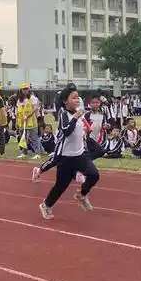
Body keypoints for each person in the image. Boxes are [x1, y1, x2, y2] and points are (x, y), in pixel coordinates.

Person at [39, 85, 99, 220]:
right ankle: (46, 205)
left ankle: (82, 194)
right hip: (66, 157)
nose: (77, 100)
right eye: (74, 98)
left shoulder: (79, 112)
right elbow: (66, 130)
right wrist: (76, 118)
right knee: (60, 186)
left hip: (79, 155)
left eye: (78, 97)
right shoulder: (63, 113)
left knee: (94, 175)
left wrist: (84, 127)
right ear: (66, 101)